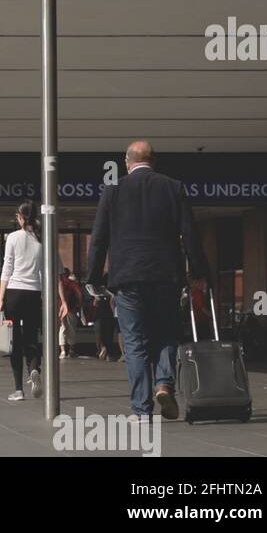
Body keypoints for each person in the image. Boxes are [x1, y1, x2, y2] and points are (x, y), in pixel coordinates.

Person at [87, 141, 209, 421]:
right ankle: (164, 384)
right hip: (166, 276)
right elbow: (190, 234)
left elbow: (99, 239)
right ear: (153, 161)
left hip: (127, 278)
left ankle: (141, 408)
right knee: (166, 332)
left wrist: (93, 277)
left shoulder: (112, 191)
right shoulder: (173, 187)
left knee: (134, 341)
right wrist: (200, 272)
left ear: (127, 162)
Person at [0, 202, 68, 402]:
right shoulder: (42, 240)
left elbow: (7, 268)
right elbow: (55, 273)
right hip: (33, 294)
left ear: (20, 217)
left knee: (15, 341)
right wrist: (62, 300)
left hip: (14, 292)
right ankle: (34, 369)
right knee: (31, 337)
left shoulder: (12, 238)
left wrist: (1, 298)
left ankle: (18, 390)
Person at [58, 268, 84, 359]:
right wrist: (79, 306)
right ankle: (71, 351)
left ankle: (62, 351)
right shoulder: (72, 283)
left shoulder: (57, 283)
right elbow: (79, 294)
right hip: (71, 309)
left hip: (60, 309)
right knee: (72, 329)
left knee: (62, 328)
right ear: (68, 274)